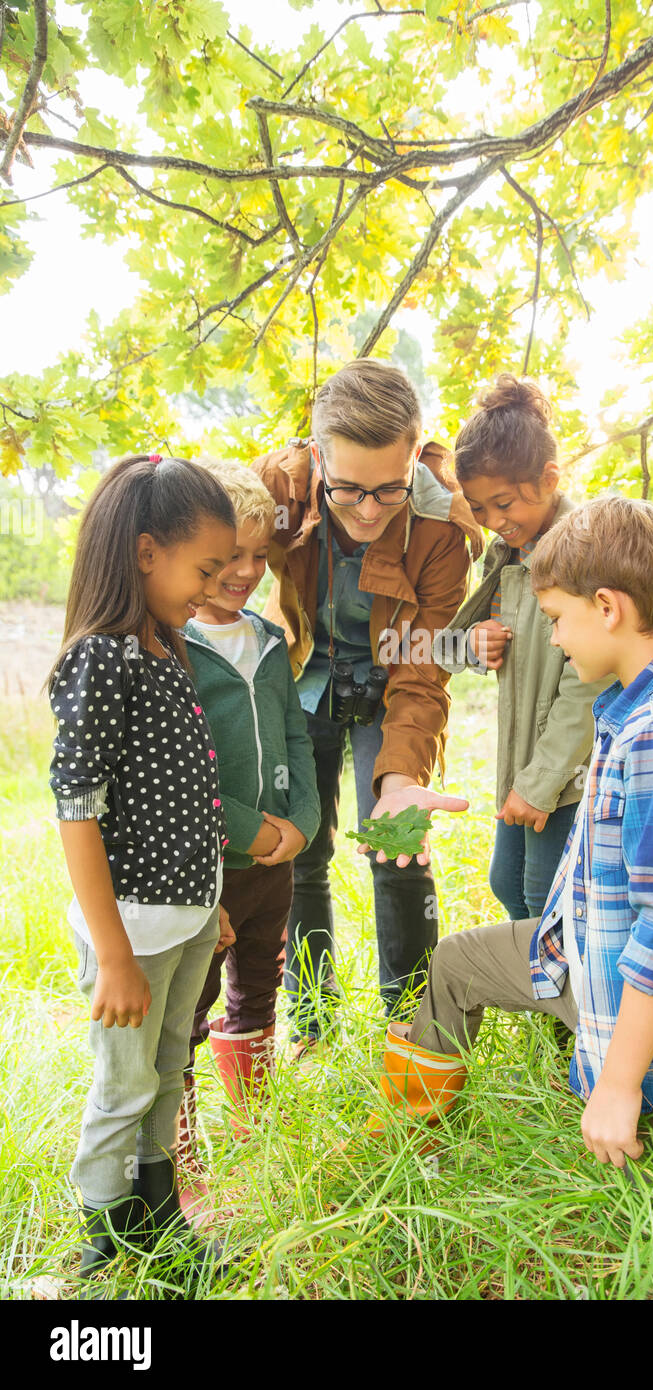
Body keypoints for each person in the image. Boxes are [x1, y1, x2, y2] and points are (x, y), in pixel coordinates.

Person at [369, 495, 653, 1177]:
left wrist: (619, 1086)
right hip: (581, 955)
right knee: (454, 964)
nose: (554, 639)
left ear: (607, 608)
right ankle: (410, 1143)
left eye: (556, 620)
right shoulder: (637, 706)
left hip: (637, 1014)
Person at [253, 358, 482, 1056]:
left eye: (390, 489)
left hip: (390, 689)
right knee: (300, 851)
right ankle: (313, 1023)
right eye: (349, 490)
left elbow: (423, 666)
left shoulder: (444, 530)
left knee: (397, 845)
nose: (370, 511)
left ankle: (412, 1024)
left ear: (415, 453)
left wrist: (402, 776)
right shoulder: (279, 488)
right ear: (319, 457)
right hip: (301, 684)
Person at [48, 452, 239, 1282]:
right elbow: (76, 813)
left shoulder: (167, 652)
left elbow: (187, 796)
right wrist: (114, 955)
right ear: (146, 552)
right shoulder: (103, 660)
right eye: (205, 567)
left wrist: (212, 903)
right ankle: (105, 1236)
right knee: (123, 1085)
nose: (215, 584)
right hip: (131, 930)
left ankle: (160, 1214)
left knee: (169, 1069)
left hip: (187, 916)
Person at [178, 459, 320, 1166]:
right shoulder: (175, 645)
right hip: (212, 865)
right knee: (189, 1003)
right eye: (230, 556)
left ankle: (252, 1124)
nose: (246, 571)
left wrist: (303, 824)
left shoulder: (268, 640)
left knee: (260, 983)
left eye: (259, 556)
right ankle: (178, 1144)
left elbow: (296, 734)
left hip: (277, 861)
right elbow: (181, 772)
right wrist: (246, 829)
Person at [435, 374, 602, 918]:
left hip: (569, 773)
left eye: (502, 503)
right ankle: (538, 996)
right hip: (521, 762)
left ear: (549, 478)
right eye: (479, 510)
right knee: (508, 884)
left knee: (544, 897)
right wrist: (473, 645)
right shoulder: (506, 556)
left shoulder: (582, 554)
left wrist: (539, 785)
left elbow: (586, 694)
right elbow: (446, 648)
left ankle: (564, 1003)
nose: (493, 522)